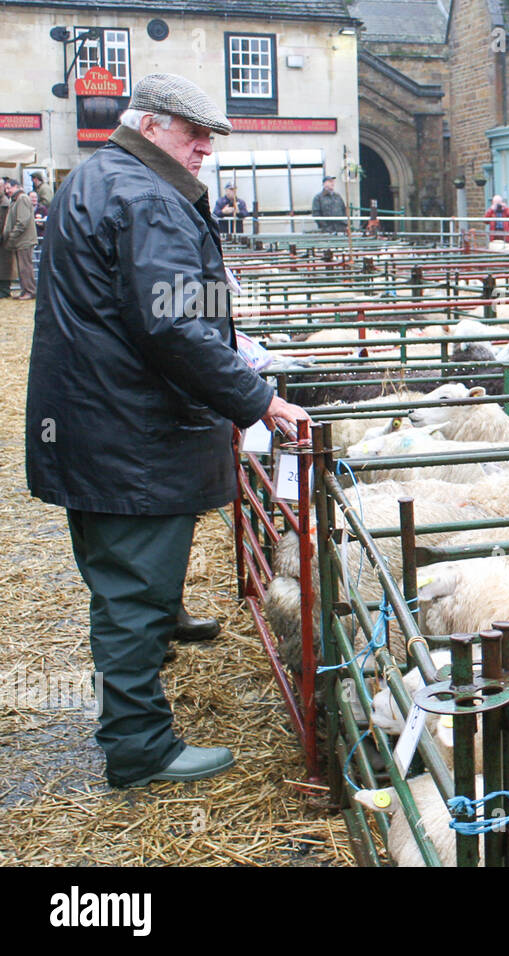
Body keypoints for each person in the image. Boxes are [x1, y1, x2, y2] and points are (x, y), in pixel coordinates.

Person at [25, 73, 311, 789]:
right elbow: (175, 324)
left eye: (210, 136)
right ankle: (138, 746)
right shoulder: (148, 197)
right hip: (132, 430)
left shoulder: (97, 178)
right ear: (151, 127)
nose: (206, 148)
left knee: (119, 571)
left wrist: (232, 341)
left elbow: (172, 307)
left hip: (95, 416)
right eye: (195, 134)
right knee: (131, 591)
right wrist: (258, 398)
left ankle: (155, 639)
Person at [2, 177, 38, 299]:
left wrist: (12, 236)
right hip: (20, 240)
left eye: (9, 187)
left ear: (16, 186)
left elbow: (22, 221)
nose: (7, 191)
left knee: (25, 267)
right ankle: (26, 290)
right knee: (22, 267)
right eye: (6, 188)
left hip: (24, 240)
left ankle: (30, 290)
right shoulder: (16, 199)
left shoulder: (22, 199)